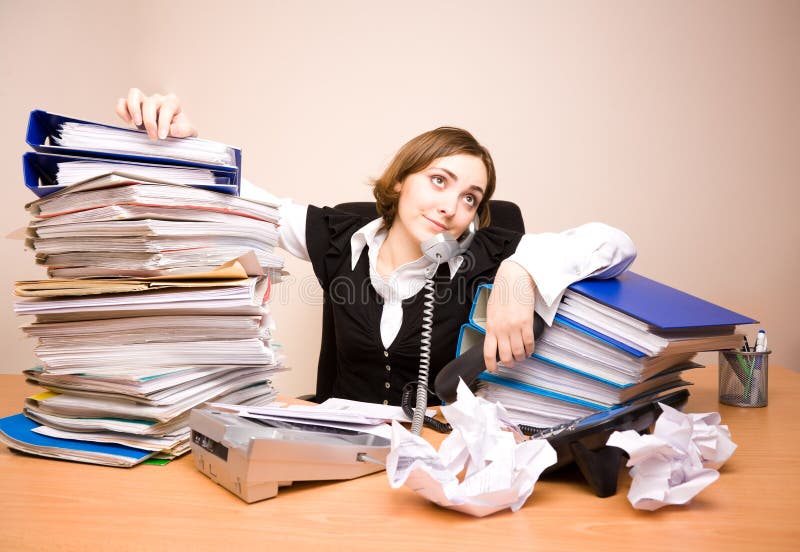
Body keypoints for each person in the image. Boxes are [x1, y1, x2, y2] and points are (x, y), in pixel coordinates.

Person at [116, 88, 637, 406]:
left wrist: (520, 276)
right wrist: (178, 145)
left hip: (437, 463)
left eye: (469, 196)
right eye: (439, 180)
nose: (452, 204)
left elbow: (615, 244)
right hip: (337, 460)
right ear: (401, 181)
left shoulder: (490, 251)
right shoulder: (342, 237)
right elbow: (244, 201)